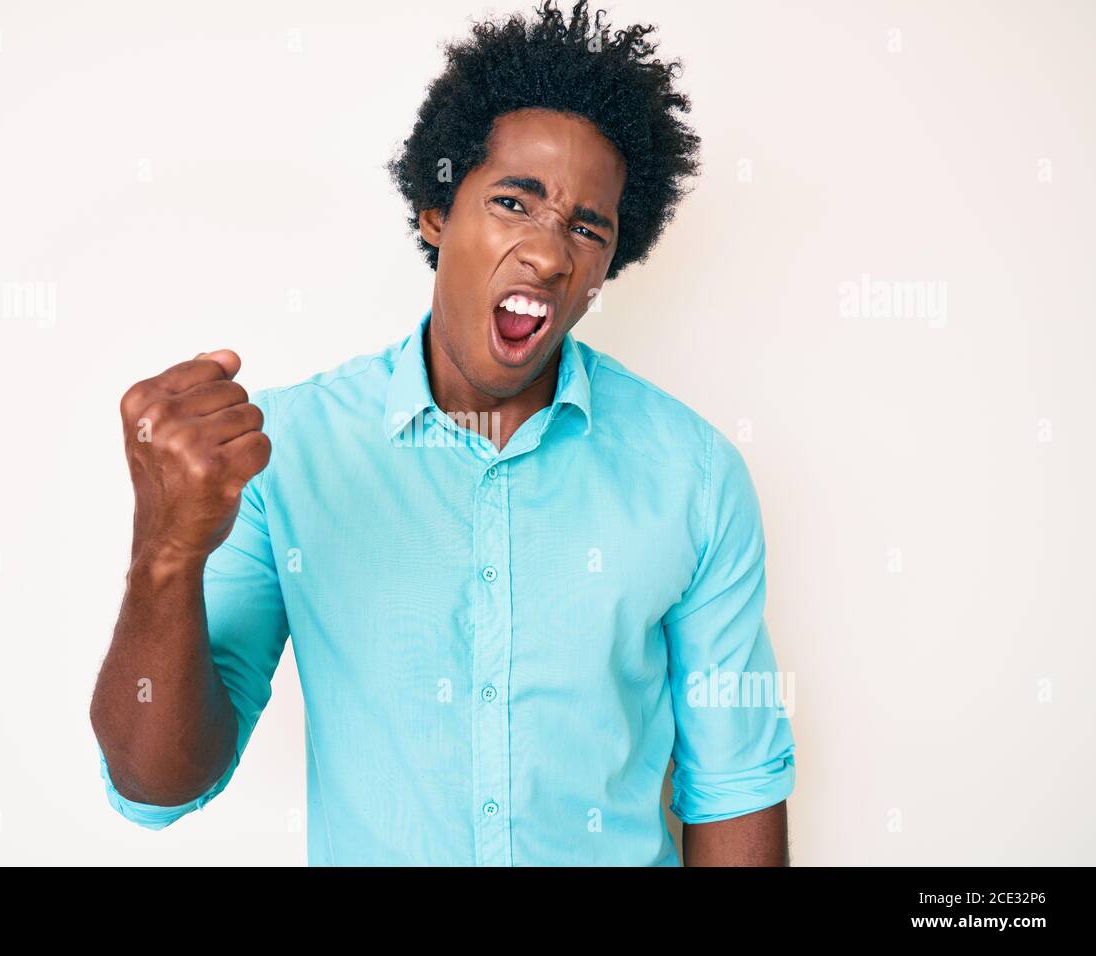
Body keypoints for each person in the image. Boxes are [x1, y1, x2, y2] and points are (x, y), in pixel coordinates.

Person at [90, 0, 796, 866]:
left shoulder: (692, 478)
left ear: (607, 266)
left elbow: (734, 787)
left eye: (587, 227)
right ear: (435, 211)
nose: (548, 254)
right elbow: (154, 785)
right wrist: (165, 553)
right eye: (513, 201)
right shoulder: (288, 454)